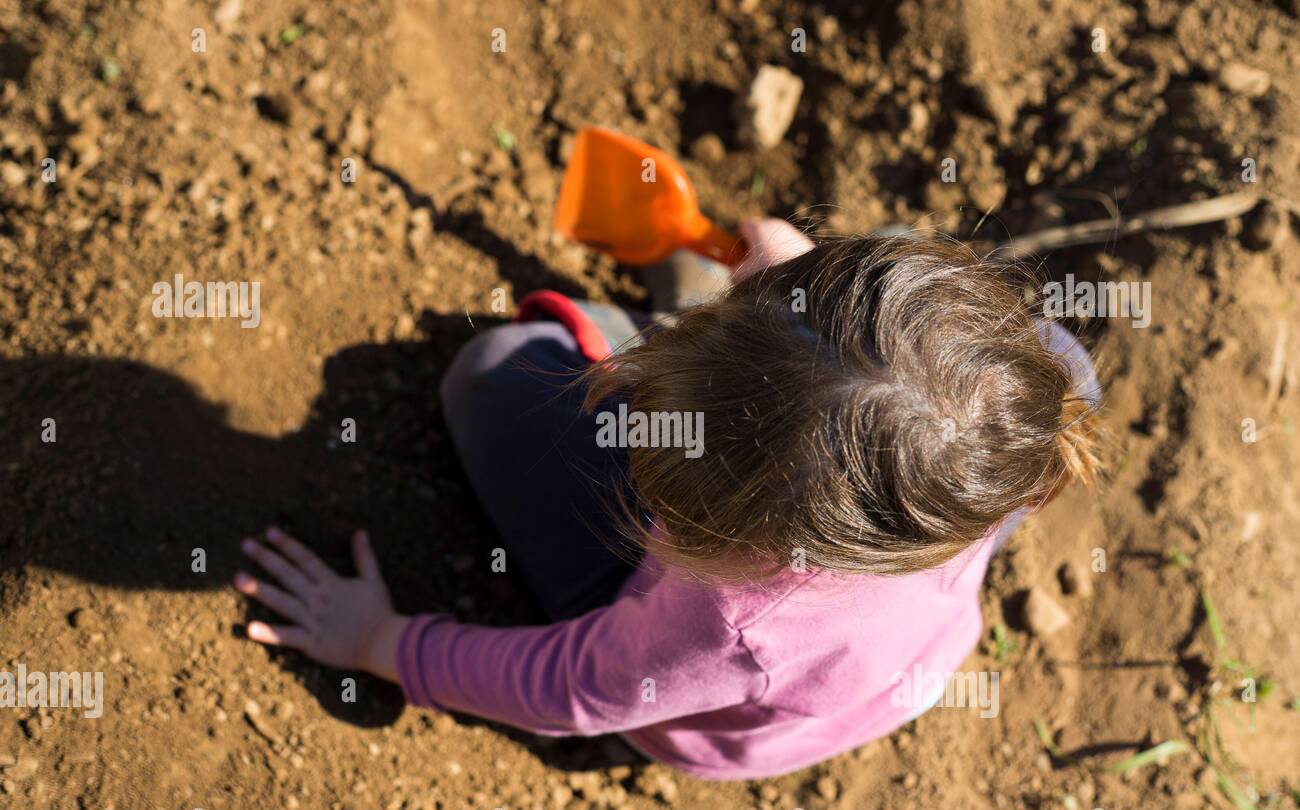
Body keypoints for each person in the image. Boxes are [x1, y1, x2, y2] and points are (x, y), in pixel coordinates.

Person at [233, 219, 1101, 781]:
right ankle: (765, 354)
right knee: (993, 377)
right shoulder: (1016, 413)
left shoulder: (728, 620)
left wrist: (385, 643)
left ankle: (711, 345)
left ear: (706, 527)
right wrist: (795, 292)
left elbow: (569, 689)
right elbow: (892, 376)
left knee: (494, 378)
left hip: (706, 710)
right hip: (891, 644)